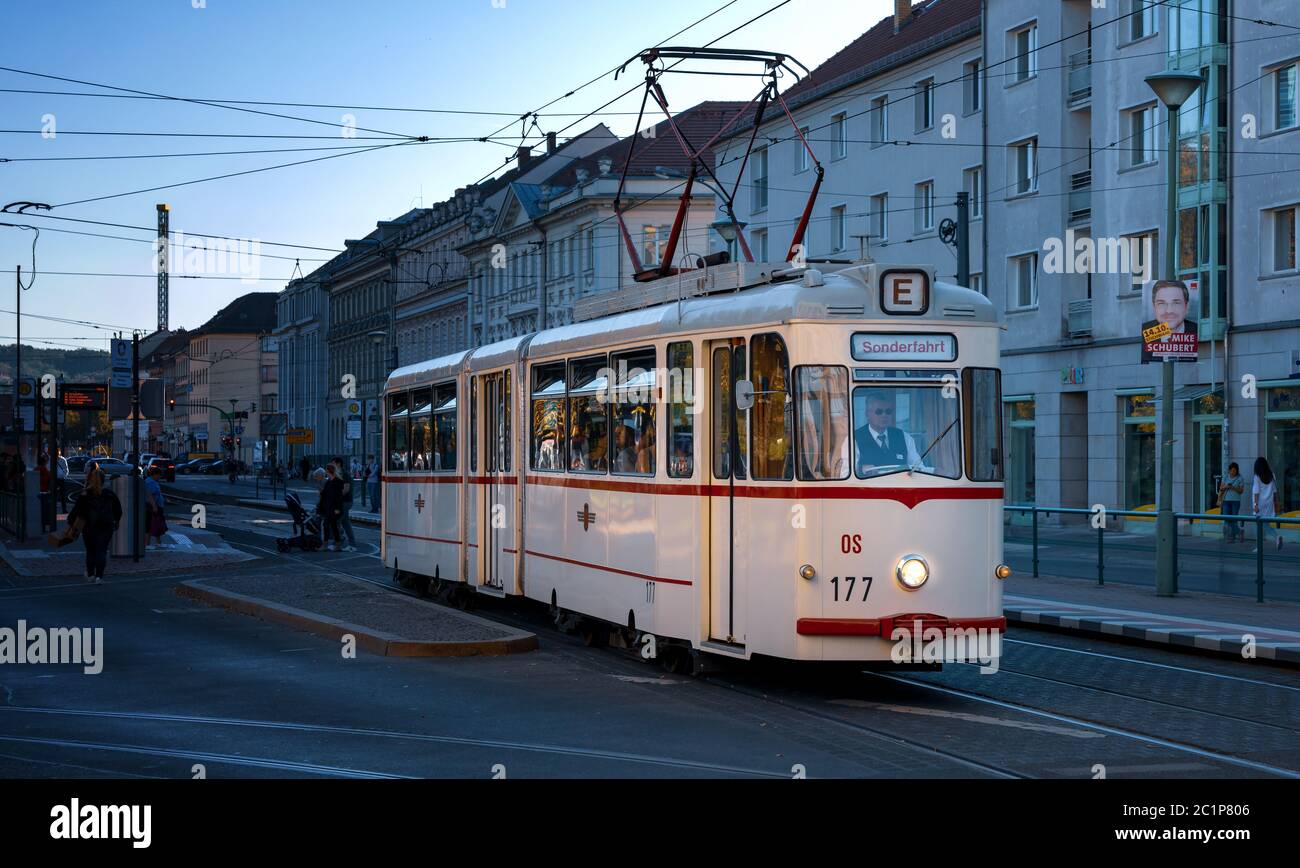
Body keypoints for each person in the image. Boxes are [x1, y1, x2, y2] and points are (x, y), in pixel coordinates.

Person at [61, 464, 122, 584]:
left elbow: (76, 512)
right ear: (104, 480)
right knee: (102, 550)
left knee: (91, 551)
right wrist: (116, 521)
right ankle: (99, 577)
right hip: (106, 525)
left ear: (90, 479)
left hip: (89, 526)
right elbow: (118, 510)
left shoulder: (85, 495)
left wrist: (70, 525)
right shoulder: (109, 494)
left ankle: (90, 574)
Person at [854, 390, 925, 476]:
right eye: (879, 412)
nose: (884, 415)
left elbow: (919, 468)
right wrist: (861, 469)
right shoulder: (854, 439)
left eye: (888, 412)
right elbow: (845, 472)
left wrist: (935, 471)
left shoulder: (904, 437)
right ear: (867, 414)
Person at [1141, 279, 1199, 362]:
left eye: (1176, 303)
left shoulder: (1197, 331)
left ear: (1186, 306)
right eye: (1161, 303)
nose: (1169, 311)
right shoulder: (1144, 333)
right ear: (1154, 307)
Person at [1251, 456, 1284, 553]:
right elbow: (1274, 491)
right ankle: (1260, 546)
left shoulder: (1257, 476)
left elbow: (1256, 492)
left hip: (1260, 504)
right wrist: (1275, 502)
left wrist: (1256, 505)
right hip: (1269, 504)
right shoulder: (1271, 475)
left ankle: (1276, 537)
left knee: (1262, 525)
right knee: (1264, 524)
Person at [331, 457, 358, 552]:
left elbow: (346, 489)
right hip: (342, 502)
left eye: (333, 463)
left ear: (338, 464)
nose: (332, 465)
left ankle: (338, 542)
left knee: (336, 521)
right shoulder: (338, 474)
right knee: (345, 523)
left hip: (345, 502)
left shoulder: (345, 475)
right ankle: (351, 544)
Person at [317, 463, 345, 552]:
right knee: (333, 526)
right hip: (328, 506)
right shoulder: (328, 481)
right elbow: (325, 493)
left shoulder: (338, 482)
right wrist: (321, 492)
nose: (325, 472)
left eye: (326, 470)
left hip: (334, 508)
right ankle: (338, 544)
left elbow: (339, 497)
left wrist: (337, 508)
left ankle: (325, 544)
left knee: (326, 524)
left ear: (328, 471)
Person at [1218, 462, 1245, 543]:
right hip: (1226, 501)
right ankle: (1235, 534)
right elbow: (1221, 488)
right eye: (1232, 470)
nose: (1233, 472)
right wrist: (1226, 486)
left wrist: (1233, 487)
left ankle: (1233, 536)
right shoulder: (1226, 477)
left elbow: (1241, 491)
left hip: (1236, 501)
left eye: (1235, 471)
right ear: (1229, 470)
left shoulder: (1240, 478)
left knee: (1233, 520)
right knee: (1227, 519)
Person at [143, 466, 168, 549]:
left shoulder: (152, 481)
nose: (160, 477)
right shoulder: (150, 482)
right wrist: (154, 506)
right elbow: (150, 495)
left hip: (155, 506)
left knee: (157, 524)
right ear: (155, 474)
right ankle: (147, 544)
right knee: (150, 524)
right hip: (152, 506)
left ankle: (158, 542)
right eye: (159, 475)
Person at [37, 454, 53, 533]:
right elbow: (49, 479)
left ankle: (42, 527)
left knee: (41, 512)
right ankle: (44, 527)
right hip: (44, 492)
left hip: (38, 492)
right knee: (45, 512)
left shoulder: (36, 469)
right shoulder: (45, 471)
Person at [55, 447, 68, 513]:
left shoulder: (62, 460)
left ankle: (64, 509)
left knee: (62, 495)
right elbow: (66, 469)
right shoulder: (62, 460)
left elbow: (66, 469)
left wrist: (63, 475)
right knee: (58, 495)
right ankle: (63, 509)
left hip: (60, 479)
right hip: (57, 479)